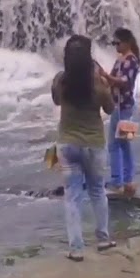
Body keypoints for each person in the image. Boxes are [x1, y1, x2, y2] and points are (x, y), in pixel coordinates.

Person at [51, 35, 117, 261]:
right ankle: (103, 239)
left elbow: (56, 100)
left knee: (72, 196)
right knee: (97, 191)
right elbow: (110, 109)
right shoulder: (97, 84)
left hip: (68, 145)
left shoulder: (61, 81)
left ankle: (76, 248)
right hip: (94, 145)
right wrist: (106, 85)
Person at [105, 28, 140, 196]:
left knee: (117, 144)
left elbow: (124, 82)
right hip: (118, 107)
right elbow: (112, 80)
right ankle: (125, 180)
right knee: (122, 144)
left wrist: (107, 77)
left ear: (126, 42)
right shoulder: (120, 60)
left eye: (117, 43)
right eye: (114, 43)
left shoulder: (131, 60)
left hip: (124, 108)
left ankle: (119, 181)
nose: (115, 46)